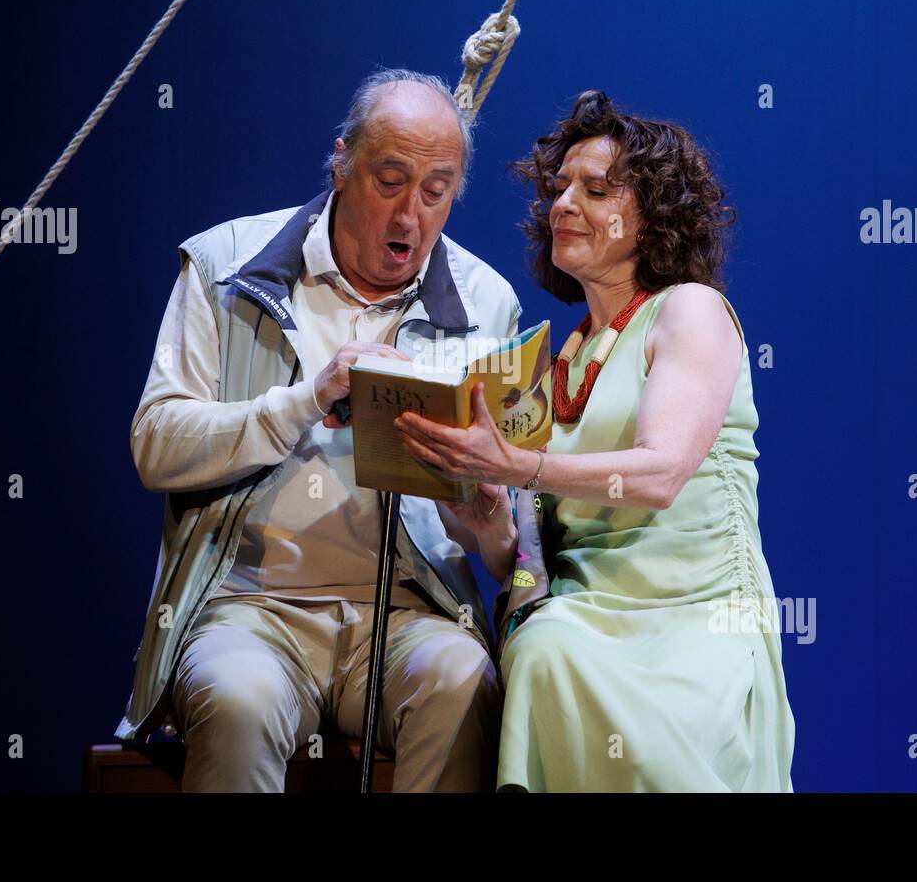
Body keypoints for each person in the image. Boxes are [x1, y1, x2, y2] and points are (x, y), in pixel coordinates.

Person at [113, 69, 522, 792]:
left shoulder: (489, 305)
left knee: (463, 682)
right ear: (340, 163)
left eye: (437, 191)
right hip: (251, 608)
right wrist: (302, 401)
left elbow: (503, 555)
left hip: (409, 615)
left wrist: (486, 518)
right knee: (238, 701)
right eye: (390, 180)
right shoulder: (225, 267)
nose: (411, 217)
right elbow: (157, 442)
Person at [393, 90, 796, 791]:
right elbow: (526, 558)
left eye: (596, 189)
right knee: (541, 644)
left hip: (693, 619)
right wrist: (485, 517)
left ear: (656, 215)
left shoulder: (690, 311)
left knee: (556, 650)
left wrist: (519, 462)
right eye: (558, 188)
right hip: (581, 619)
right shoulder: (551, 365)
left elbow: (661, 474)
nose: (562, 204)